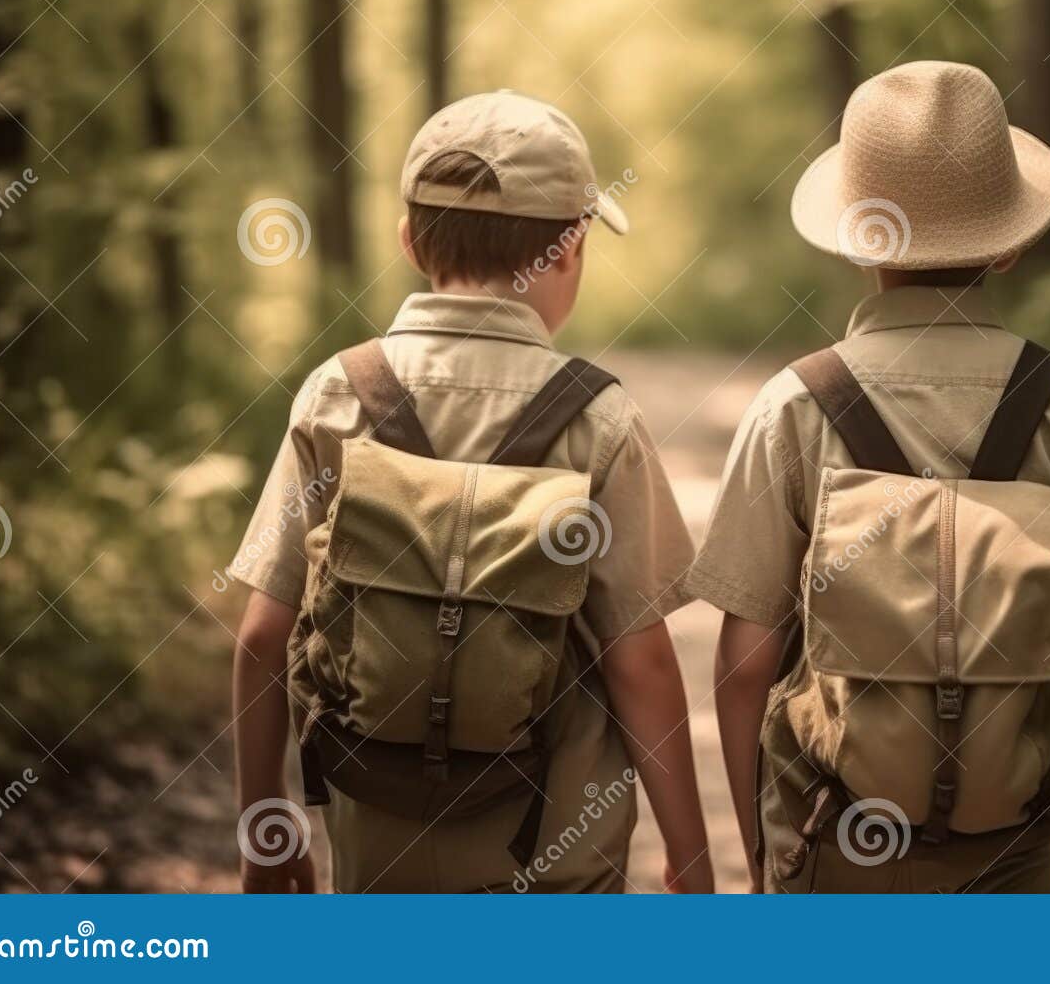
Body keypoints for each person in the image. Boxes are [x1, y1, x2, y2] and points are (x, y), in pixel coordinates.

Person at [691, 60, 1050, 893]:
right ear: (1011, 245)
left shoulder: (797, 405)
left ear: (855, 241)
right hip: (1016, 854)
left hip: (837, 851)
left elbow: (743, 665)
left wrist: (764, 852)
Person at [229, 92, 712, 893]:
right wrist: (691, 857)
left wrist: (266, 837)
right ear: (568, 250)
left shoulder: (337, 394)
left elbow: (259, 639)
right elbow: (643, 664)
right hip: (557, 854)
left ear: (409, 240)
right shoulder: (599, 419)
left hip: (381, 849)